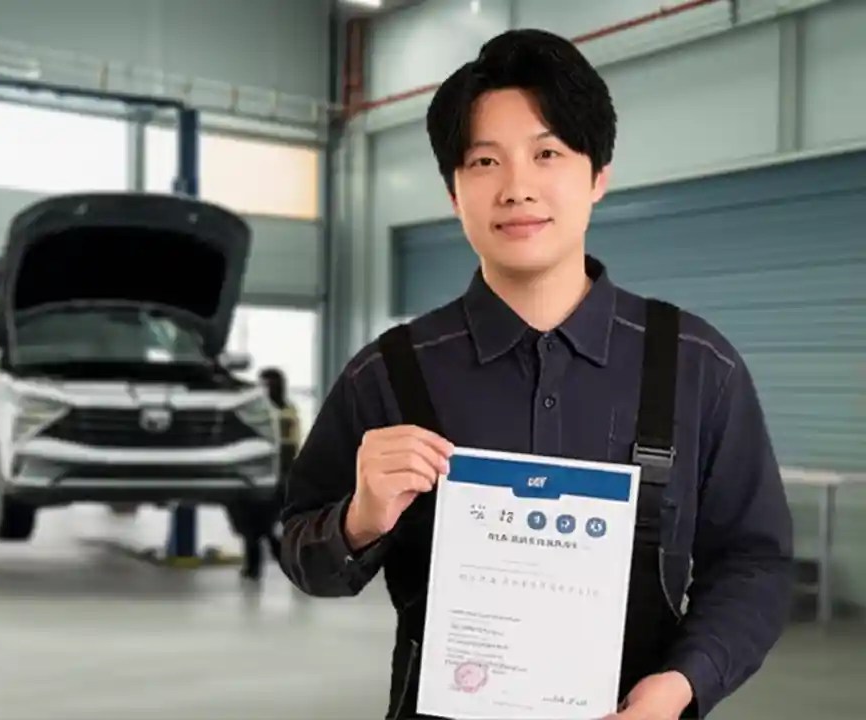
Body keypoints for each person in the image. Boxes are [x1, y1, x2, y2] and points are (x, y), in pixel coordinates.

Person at [278, 29, 793, 720]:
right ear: (454, 191)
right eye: (484, 161)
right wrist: (358, 519)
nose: (517, 188)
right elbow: (302, 553)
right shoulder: (389, 373)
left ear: (597, 175)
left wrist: (680, 686)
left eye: (547, 153)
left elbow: (754, 563)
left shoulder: (697, 365)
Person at [232, 367, 301, 580]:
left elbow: (290, 445)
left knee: (262, 526)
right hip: (255, 473)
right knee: (253, 525)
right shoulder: (257, 410)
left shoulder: (285, 411)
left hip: (278, 475)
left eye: (269, 384)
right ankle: (258, 566)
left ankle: (268, 563)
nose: (266, 388)